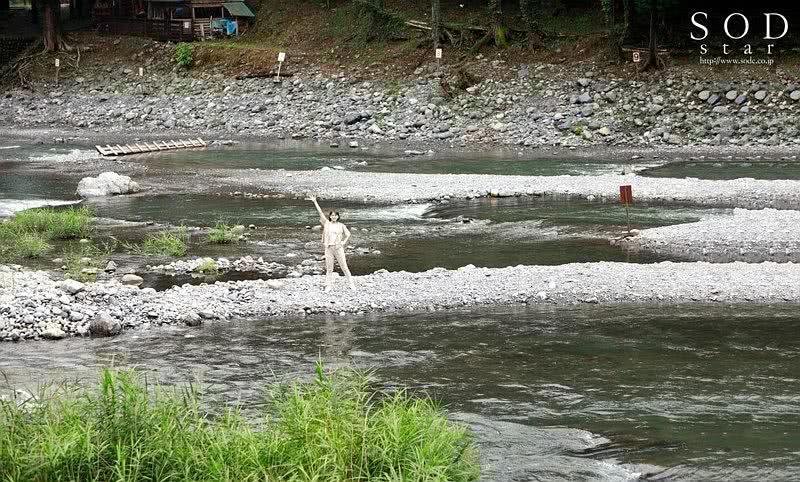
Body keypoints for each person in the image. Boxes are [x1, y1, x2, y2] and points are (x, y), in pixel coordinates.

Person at [307, 195, 355, 291]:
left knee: (344, 267)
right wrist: (315, 202)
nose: (334, 217)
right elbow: (320, 213)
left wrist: (343, 242)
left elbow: (348, 234)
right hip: (328, 248)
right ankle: (328, 286)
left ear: (338, 217)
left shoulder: (341, 225)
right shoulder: (326, 223)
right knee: (329, 269)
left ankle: (351, 284)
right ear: (330, 216)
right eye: (332, 215)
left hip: (338, 248)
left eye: (335, 215)